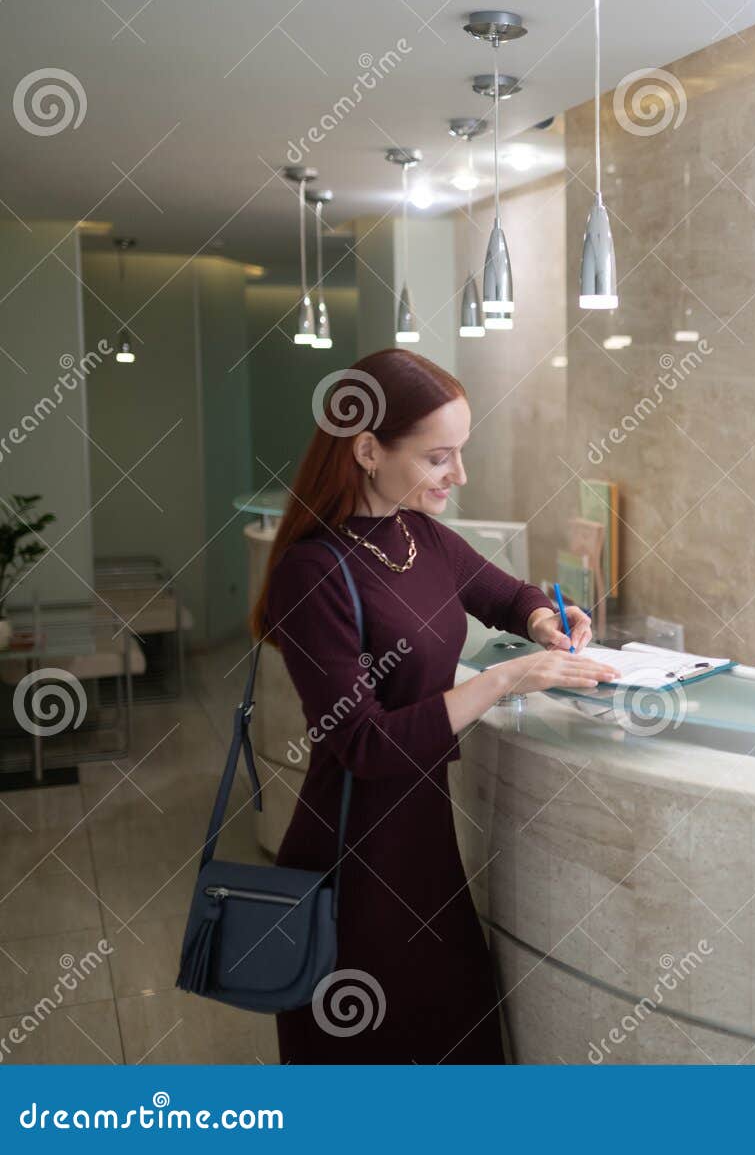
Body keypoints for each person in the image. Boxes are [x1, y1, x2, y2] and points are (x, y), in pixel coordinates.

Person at [249, 348, 619, 1062]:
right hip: (352, 859)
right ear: (366, 450)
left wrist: (545, 621)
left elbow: (510, 595)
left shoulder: (420, 538)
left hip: (424, 848)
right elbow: (362, 742)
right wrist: (505, 680)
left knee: (462, 1040)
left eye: (462, 452)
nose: (460, 474)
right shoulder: (312, 572)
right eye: (439, 456)